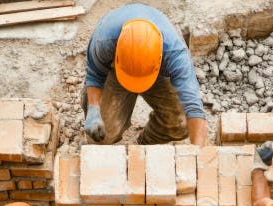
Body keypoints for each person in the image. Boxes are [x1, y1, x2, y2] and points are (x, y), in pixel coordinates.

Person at [82, 3, 208, 146]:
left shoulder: (176, 55)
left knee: (181, 123)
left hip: (156, 72)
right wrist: (93, 108)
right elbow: (94, 74)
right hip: (118, 72)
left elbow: (194, 108)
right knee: (100, 137)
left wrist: (199, 157)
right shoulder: (104, 41)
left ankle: (144, 144)